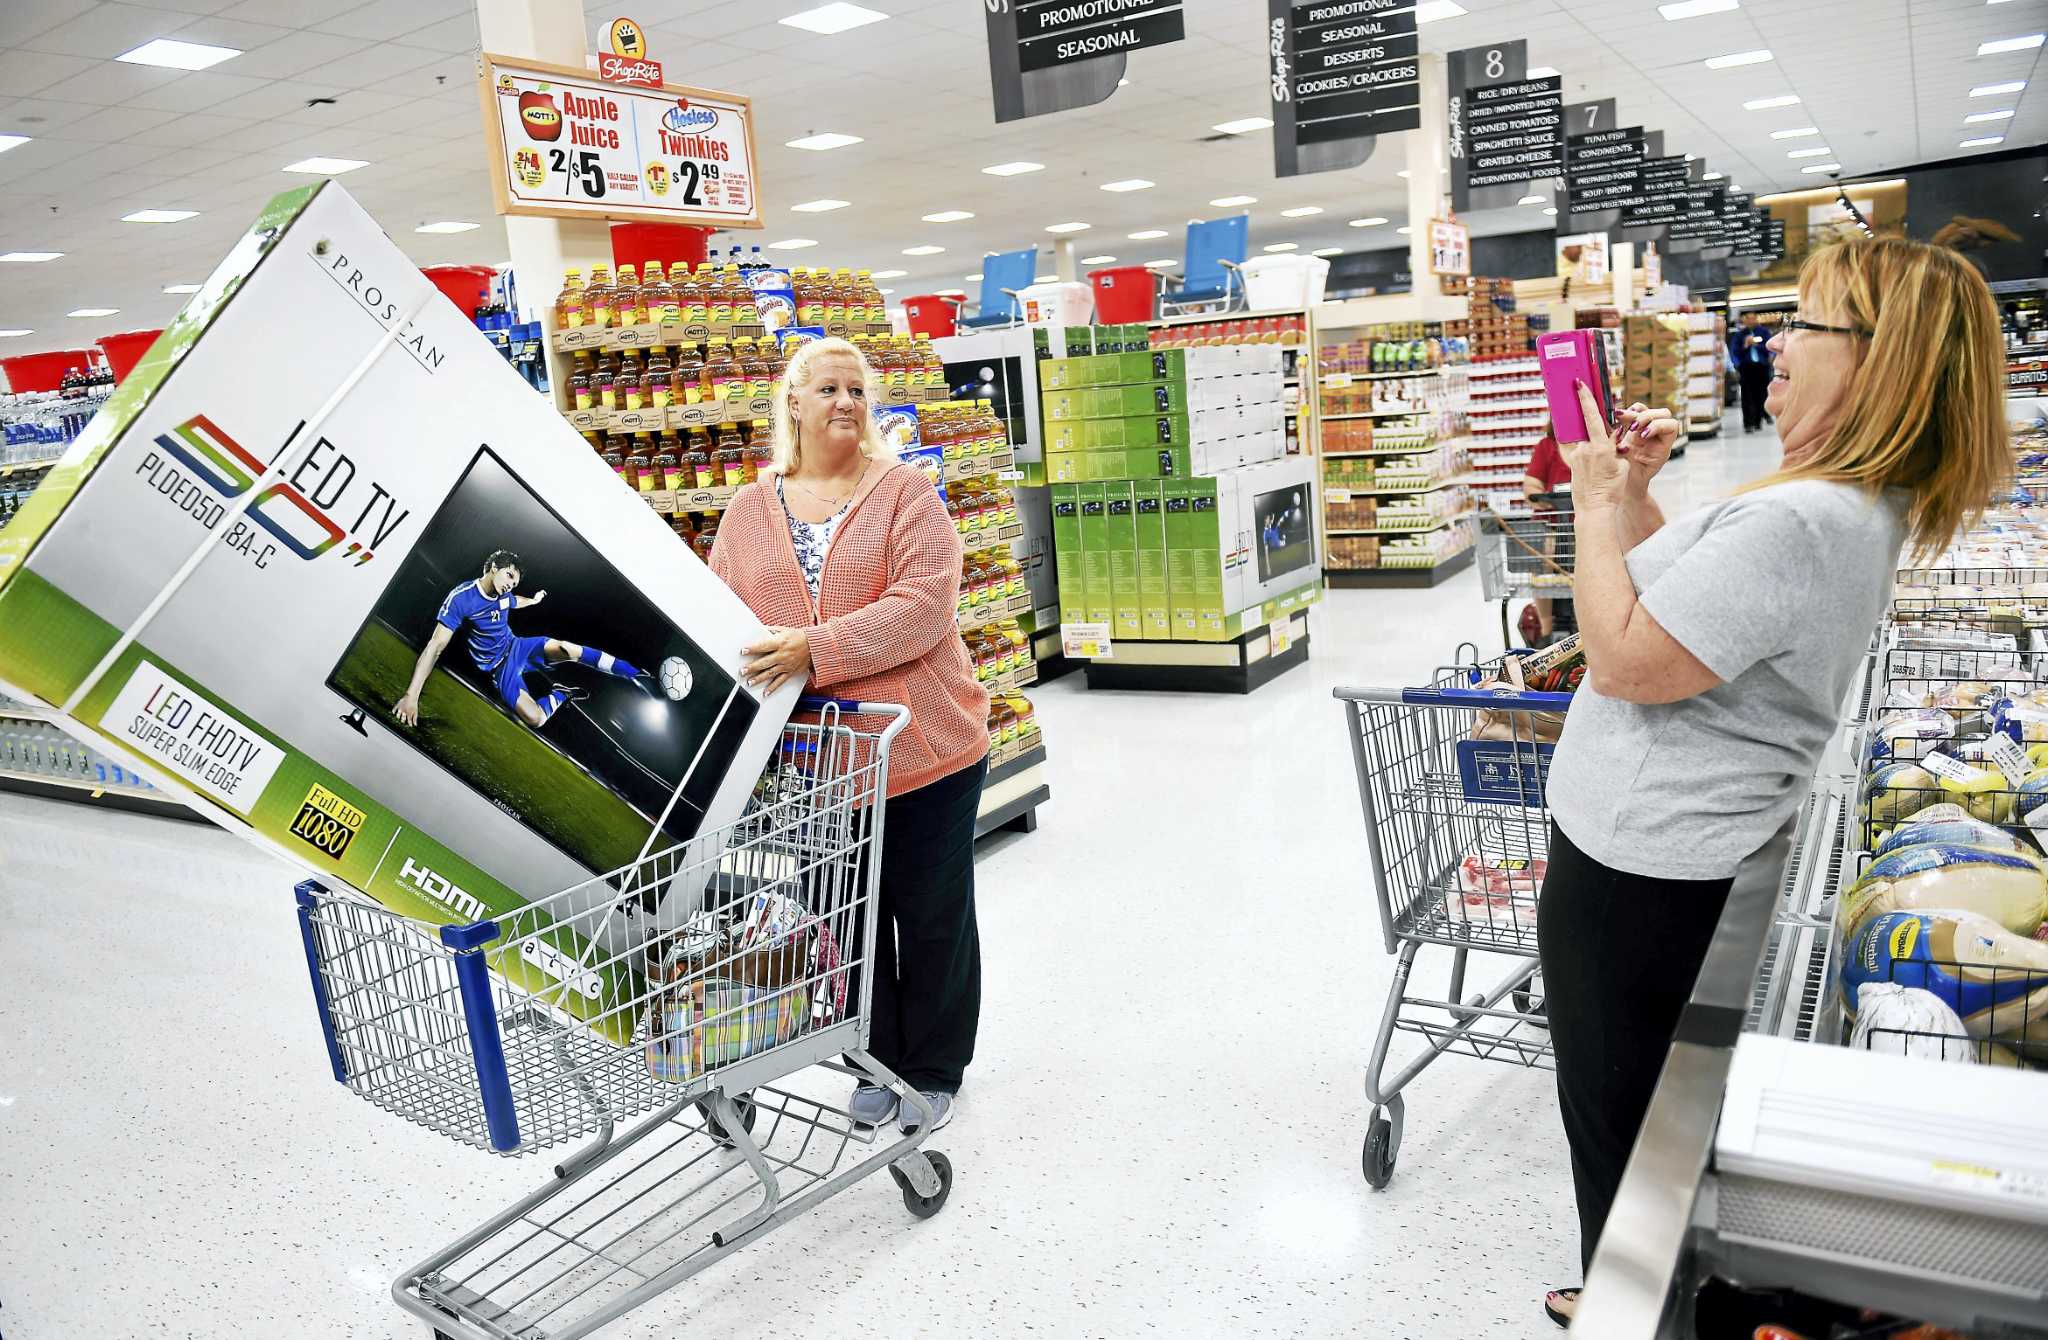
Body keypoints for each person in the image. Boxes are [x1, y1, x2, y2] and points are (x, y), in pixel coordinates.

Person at [1534, 237, 2008, 1329]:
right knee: (1653, 1103)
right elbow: (1702, 619)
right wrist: (1642, 496)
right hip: (1688, 849)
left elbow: (1625, 659)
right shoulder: (1840, 501)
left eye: (1808, 323)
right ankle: (1643, 1285)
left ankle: (1634, 1305)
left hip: (1637, 859)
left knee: (1615, 1114)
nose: (1775, 344)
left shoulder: (1803, 517)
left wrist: (1595, 500)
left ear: (1878, 361)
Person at [709, 336, 990, 1136]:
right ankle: (876, 1056)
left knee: (929, 913)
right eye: (827, 389)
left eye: (856, 391)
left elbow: (924, 607)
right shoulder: (748, 509)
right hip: (814, 768)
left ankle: (932, 1067)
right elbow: (726, 616)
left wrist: (814, 649)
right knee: (846, 916)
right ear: (792, 403)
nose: (845, 403)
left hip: (924, 748)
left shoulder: (906, 493)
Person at [393, 550, 645, 730]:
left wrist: (533, 601)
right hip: (500, 669)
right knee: (536, 719)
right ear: (494, 568)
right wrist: (411, 696)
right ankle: (560, 695)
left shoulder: (505, 595)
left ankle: (632, 672)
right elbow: (435, 646)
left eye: (515, 581)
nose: (511, 584)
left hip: (519, 647)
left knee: (567, 649)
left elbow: (515, 601)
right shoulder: (462, 598)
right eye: (509, 576)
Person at [1518, 423, 1573, 644]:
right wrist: (1539, 498)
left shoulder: (1596, 448)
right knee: (1544, 550)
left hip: (1588, 524)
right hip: (1552, 524)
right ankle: (1546, 630)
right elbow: (1531, 485)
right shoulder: (1546, 447)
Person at [1730, 310, 1774, 433]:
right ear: (1744, 320)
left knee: (1761, 394)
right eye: (1748, 318)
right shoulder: (1739, 335)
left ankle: (1758, 420)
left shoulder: (1764, 332)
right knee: (1747, 395)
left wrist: (1756, 345)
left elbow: (1769, 348)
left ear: (1756, 319)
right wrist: (1746, 345)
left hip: (1761, 367)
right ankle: (1748, 423)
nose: (1751, 321)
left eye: (1753, 318)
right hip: (1746, 368)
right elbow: (1735, 352)